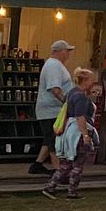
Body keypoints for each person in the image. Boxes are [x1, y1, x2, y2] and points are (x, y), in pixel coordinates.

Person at [43, 68, 99, 199]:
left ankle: (51, 186)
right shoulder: (80, 96)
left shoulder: (72, 93)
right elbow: (80, 117)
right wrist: (85, 136)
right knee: (78, 163)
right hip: (77, 133)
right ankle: (72, 191)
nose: (93, 82)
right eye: (91, 80)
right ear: (85, 80)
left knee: (67, 163)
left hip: (69, 131)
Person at [31, 38, 75, 175]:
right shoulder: (53, 66)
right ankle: (58, 170)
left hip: (53, 109)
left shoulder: (55, 65)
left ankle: (37, 164)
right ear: (60, 51)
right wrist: (67, 102)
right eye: (67, 51)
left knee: (49, 137)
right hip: (51, 110)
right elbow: (55, 88)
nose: (68, 54)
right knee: (54, 139)